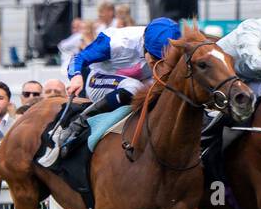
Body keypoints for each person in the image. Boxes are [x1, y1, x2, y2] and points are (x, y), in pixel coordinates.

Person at [44, 18, 184, 162]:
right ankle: (78, 124)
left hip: (137, 82)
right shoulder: (116, 41)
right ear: (145, 46)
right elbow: (78, 58)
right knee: (135, 87)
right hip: (99, 80)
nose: (160, 66)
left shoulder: (173, 45)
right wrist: (76, 76)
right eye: (156, 60)